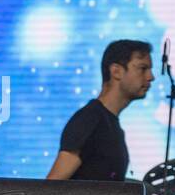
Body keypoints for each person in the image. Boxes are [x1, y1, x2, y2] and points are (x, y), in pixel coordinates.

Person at [46, 39, 153, 181]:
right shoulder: (89, 118)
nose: (151, 77)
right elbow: (51, 186)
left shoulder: (111, 124)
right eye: (142, 69)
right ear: (116, 71)